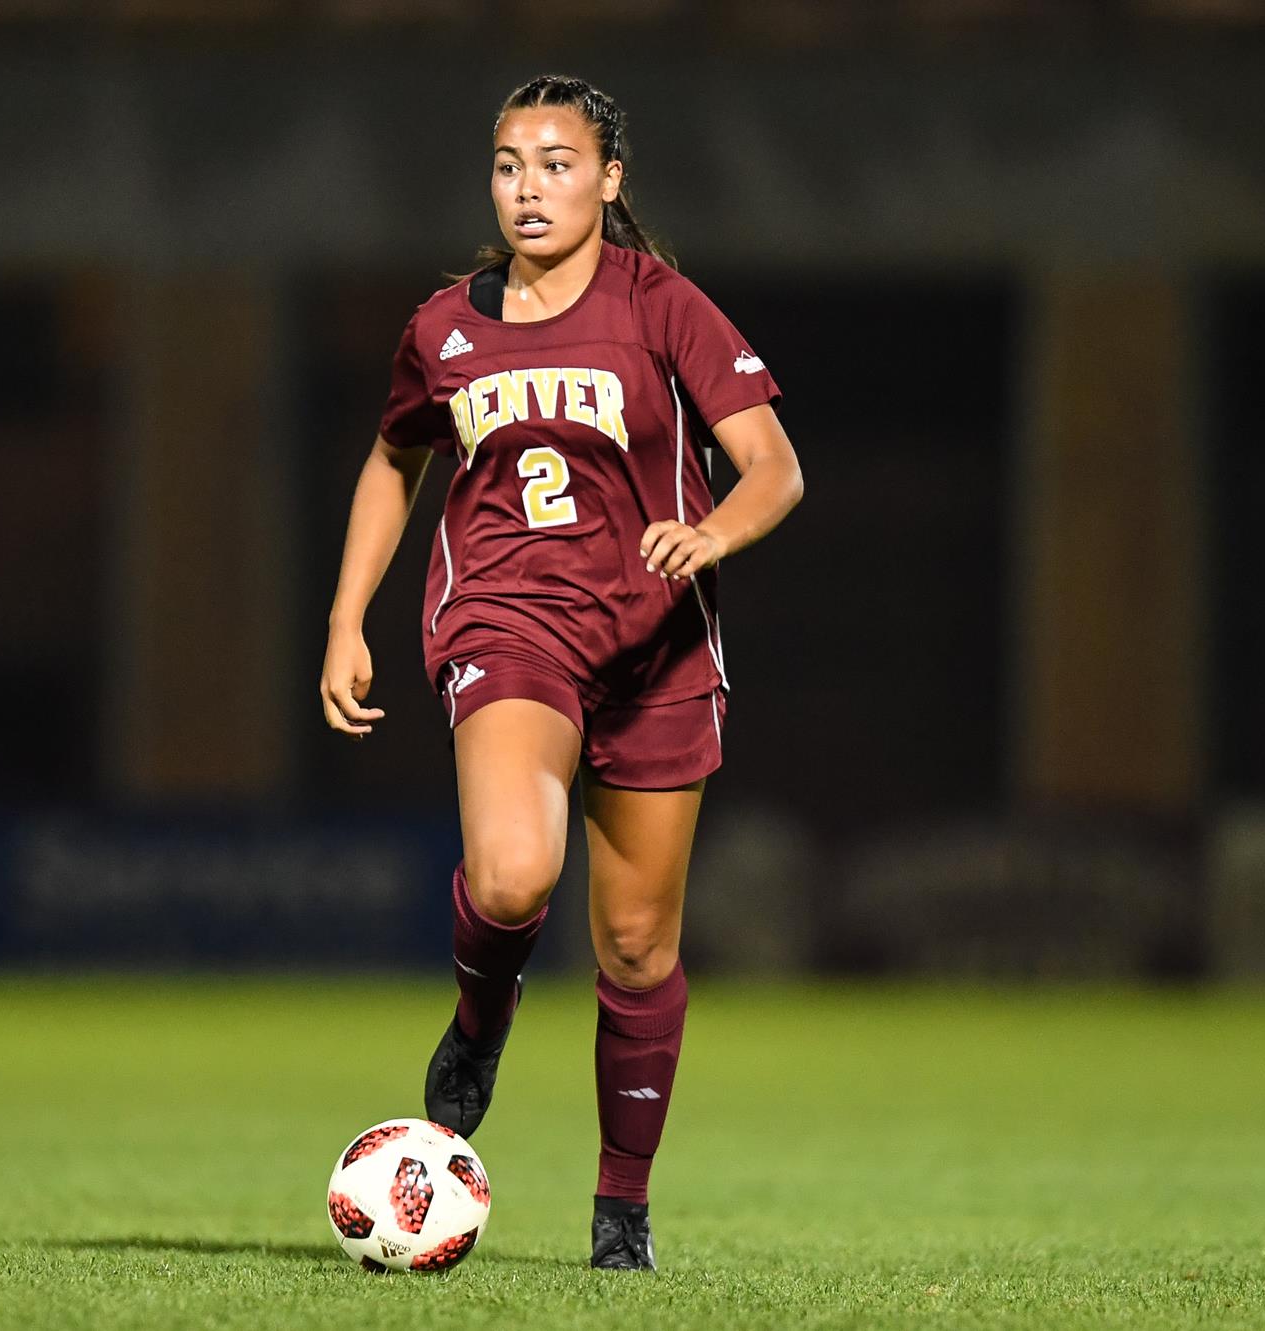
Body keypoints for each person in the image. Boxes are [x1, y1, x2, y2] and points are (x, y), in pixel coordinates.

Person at [319, 76, 803, 1270]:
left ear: (609, 179)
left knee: (635, 946)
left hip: (656, 648)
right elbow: (393, 458)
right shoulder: (444, 326)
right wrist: (345, 615)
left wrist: (715, 533)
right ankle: (480, 1022)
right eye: (506, 164)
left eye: (554, 162)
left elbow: (772, 467)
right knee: (514, 871)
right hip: (507, 624)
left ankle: (619, 1210)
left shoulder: (662, 305)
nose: (527, 186)